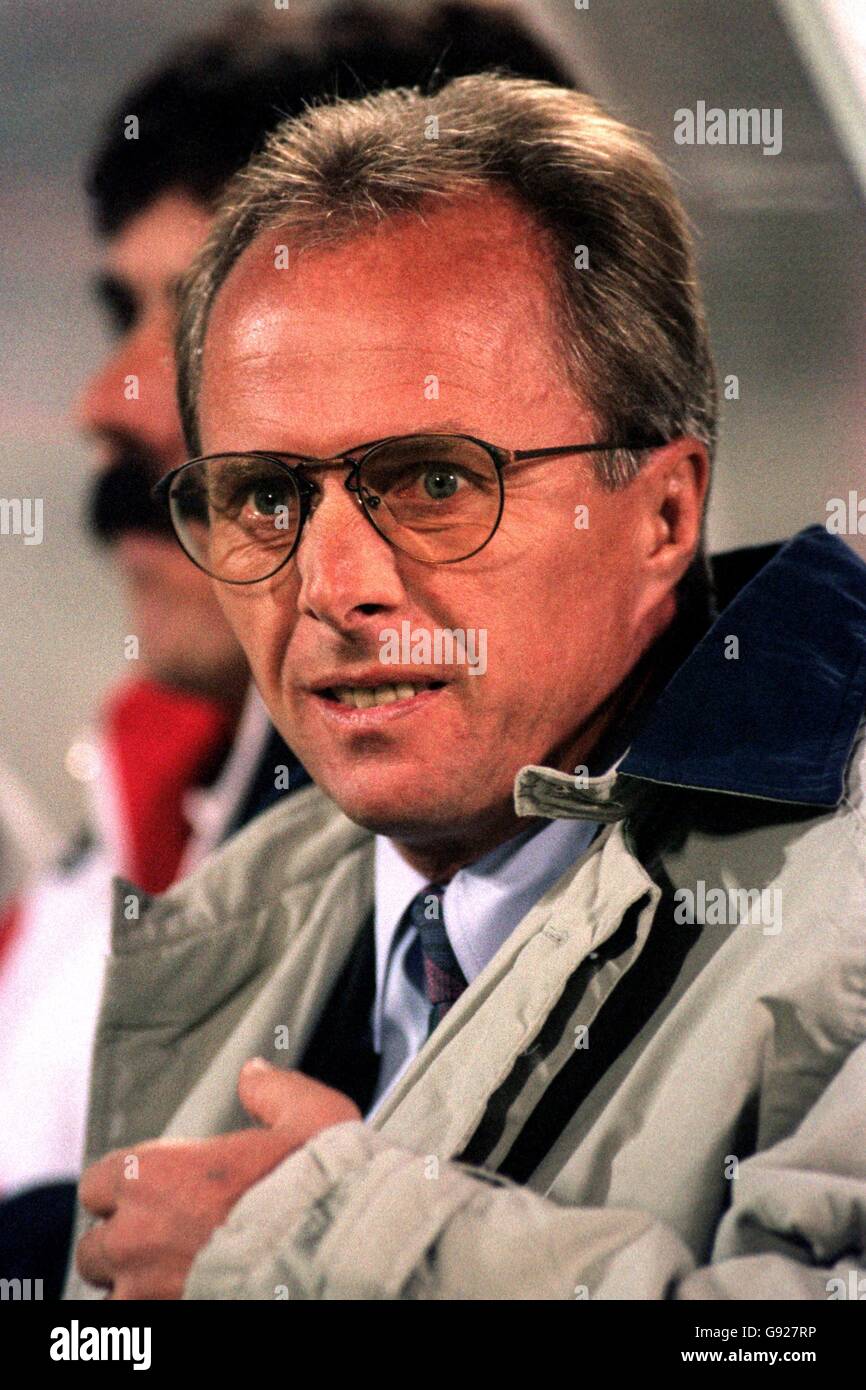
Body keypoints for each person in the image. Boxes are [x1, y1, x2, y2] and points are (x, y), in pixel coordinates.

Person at [69, 72, 866, 1303]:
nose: (329, 586)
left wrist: (301, 1258)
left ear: (663, 511)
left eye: (434, 482)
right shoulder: (235, 911)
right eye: (266, 496)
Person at [0, 4, 571, 1296]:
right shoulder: (114, 833)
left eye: (200, 323)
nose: (107, 401)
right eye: (123, 314)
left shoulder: (556, 882)